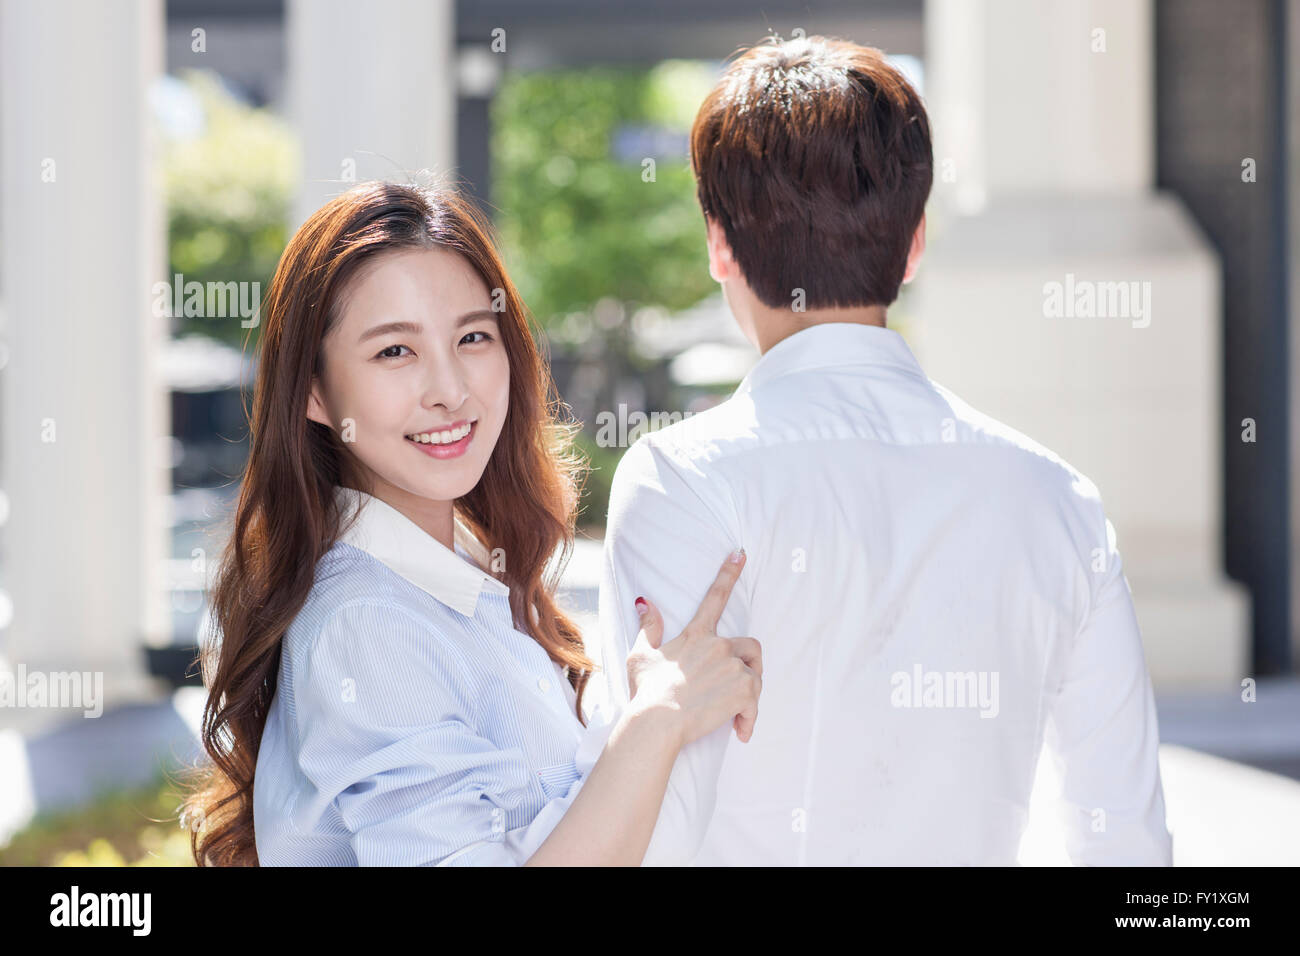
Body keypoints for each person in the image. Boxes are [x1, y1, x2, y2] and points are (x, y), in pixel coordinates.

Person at [597, 35, 1174, 865]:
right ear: (914, 245)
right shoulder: (1059, 500)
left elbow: (655, 826)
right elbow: (1121, 840)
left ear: (718, 243)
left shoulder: (682, 481)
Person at [181, 180, 762, 866]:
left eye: (474, 336)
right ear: (313, 391)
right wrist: (657, 718)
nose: (450, 390)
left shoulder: (459, 565)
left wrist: (646, 705)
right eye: (394, 351)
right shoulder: (368, 621)